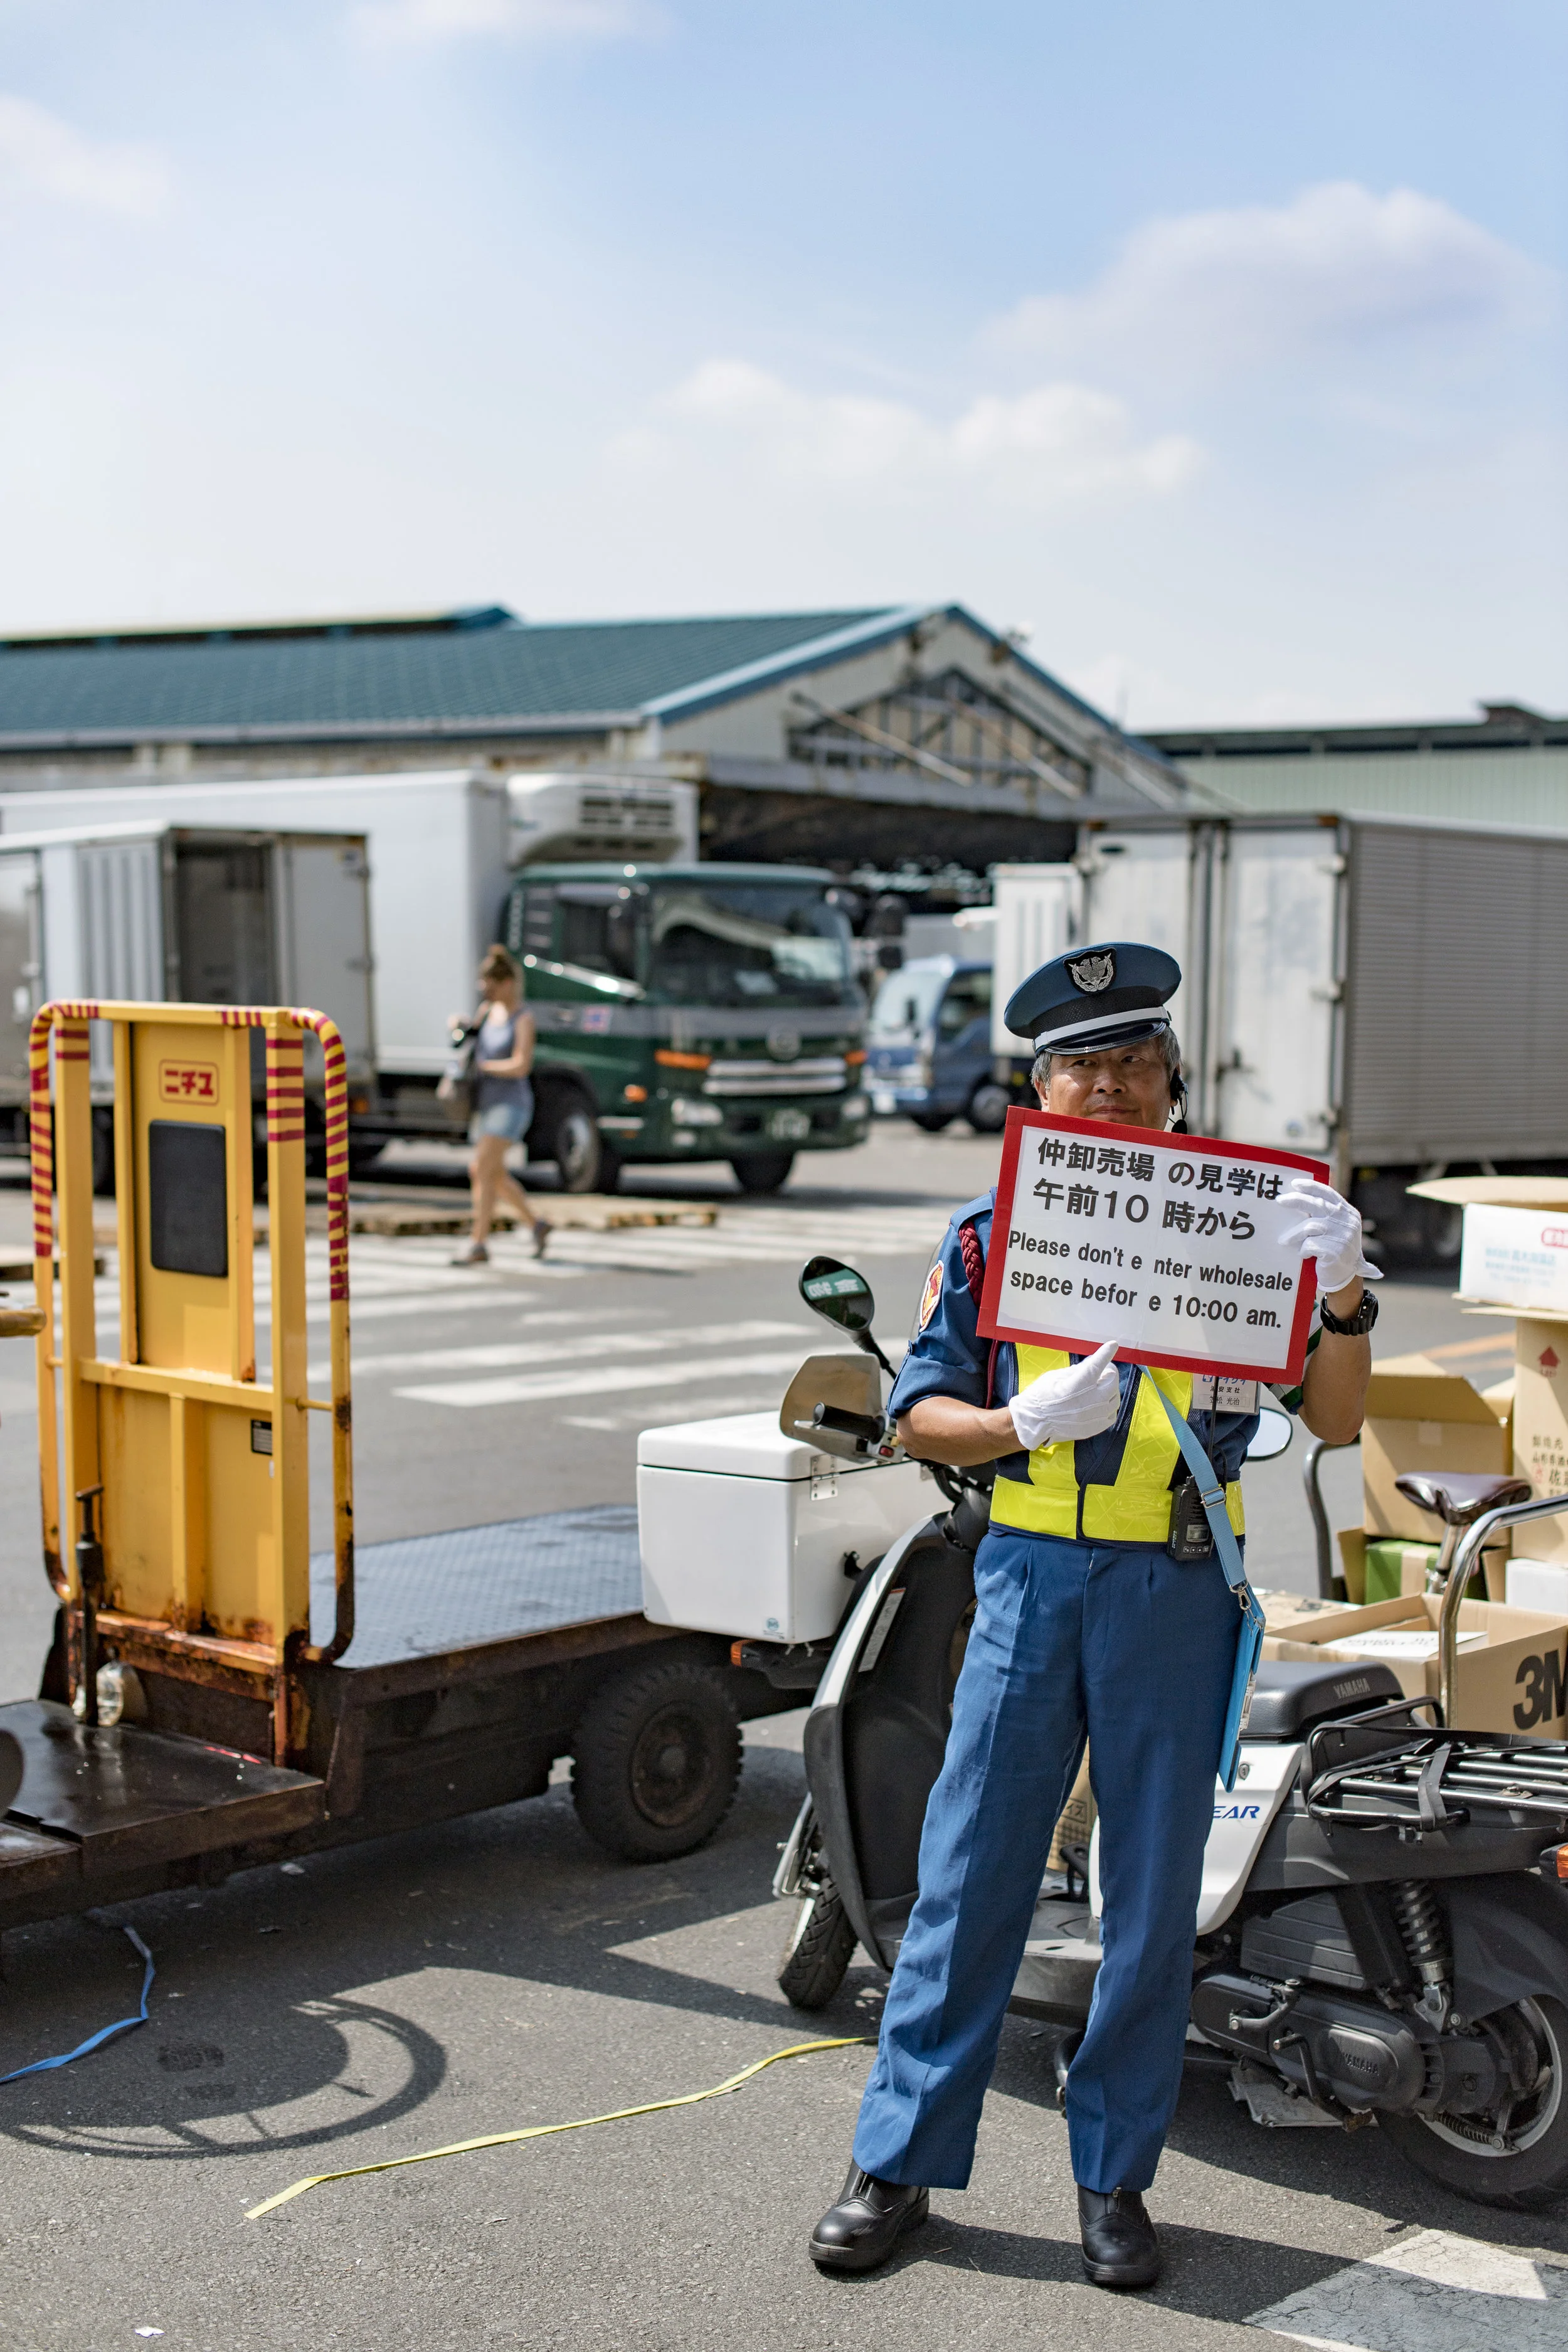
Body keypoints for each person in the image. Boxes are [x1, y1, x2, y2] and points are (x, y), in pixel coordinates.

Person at [809, 940, 1377, 2291]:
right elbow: (914, 1414)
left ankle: (1112, 2179)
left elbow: (1338, 1417)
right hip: (1027, 1574)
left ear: (1172, 1086)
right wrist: (1011, 1420)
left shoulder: (1247, 1226)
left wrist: (1346, 1291)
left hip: (1177, 1590)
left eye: (1134, 1061)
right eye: (1082, 1063)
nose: (1109, 1084)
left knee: (1147, 1902)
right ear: (1041, 1089)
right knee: (966, 1876)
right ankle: (893, 2159)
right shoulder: (990, 1234)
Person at [453, 945, 550, 1264]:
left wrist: (486, 1068)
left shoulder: (523, 1018)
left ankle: (478, 1243)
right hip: (487, 1101)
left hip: (512, 1103)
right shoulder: (486, 1012)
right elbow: (470, 1043)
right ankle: (536, 1224)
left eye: (492, 987)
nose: (488, 993)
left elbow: (522, 1065)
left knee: (481, 1169)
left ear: (507, 983)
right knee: (490, 1173)